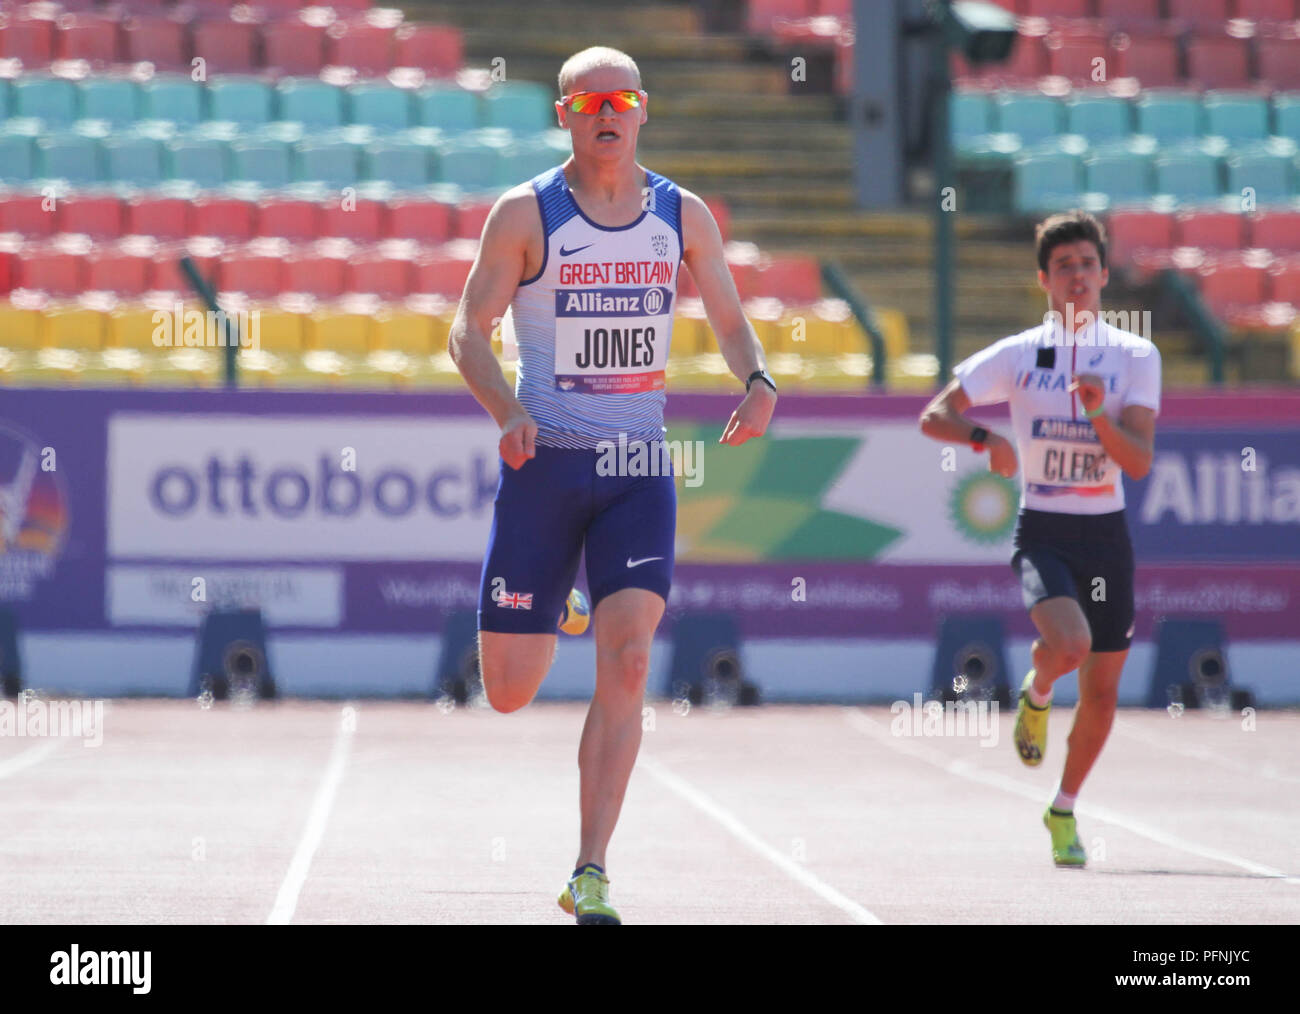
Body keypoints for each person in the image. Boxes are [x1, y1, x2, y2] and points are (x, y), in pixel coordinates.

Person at [448, 46, 777, 922]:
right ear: (565, 114)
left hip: (637, 467)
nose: (607, 112)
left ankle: (591, 868)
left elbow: (732, 323)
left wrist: (758, 380)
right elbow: (465, 333)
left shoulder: (683, 214)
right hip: (544, 463)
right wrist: (504, 410)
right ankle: (557, 597)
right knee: (510, 690)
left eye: (622, 99)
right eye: (589, 101)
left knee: (630, 659)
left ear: (642, 112)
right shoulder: (527, 214)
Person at [918, 210, 1160, 866]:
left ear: (1105, 274)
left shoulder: (1136, 356)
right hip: (1045, 529)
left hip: (1105, 535)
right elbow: (933, 414)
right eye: (1063, 267)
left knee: (1105, 692)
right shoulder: (1021, 354)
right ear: (1044, 281)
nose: (1077, 276)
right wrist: (986, 438)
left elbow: (1136, 460)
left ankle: (1063, 809)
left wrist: (1095, 414)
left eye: (1087, 264)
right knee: (1071, 644)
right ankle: (1040, 691)